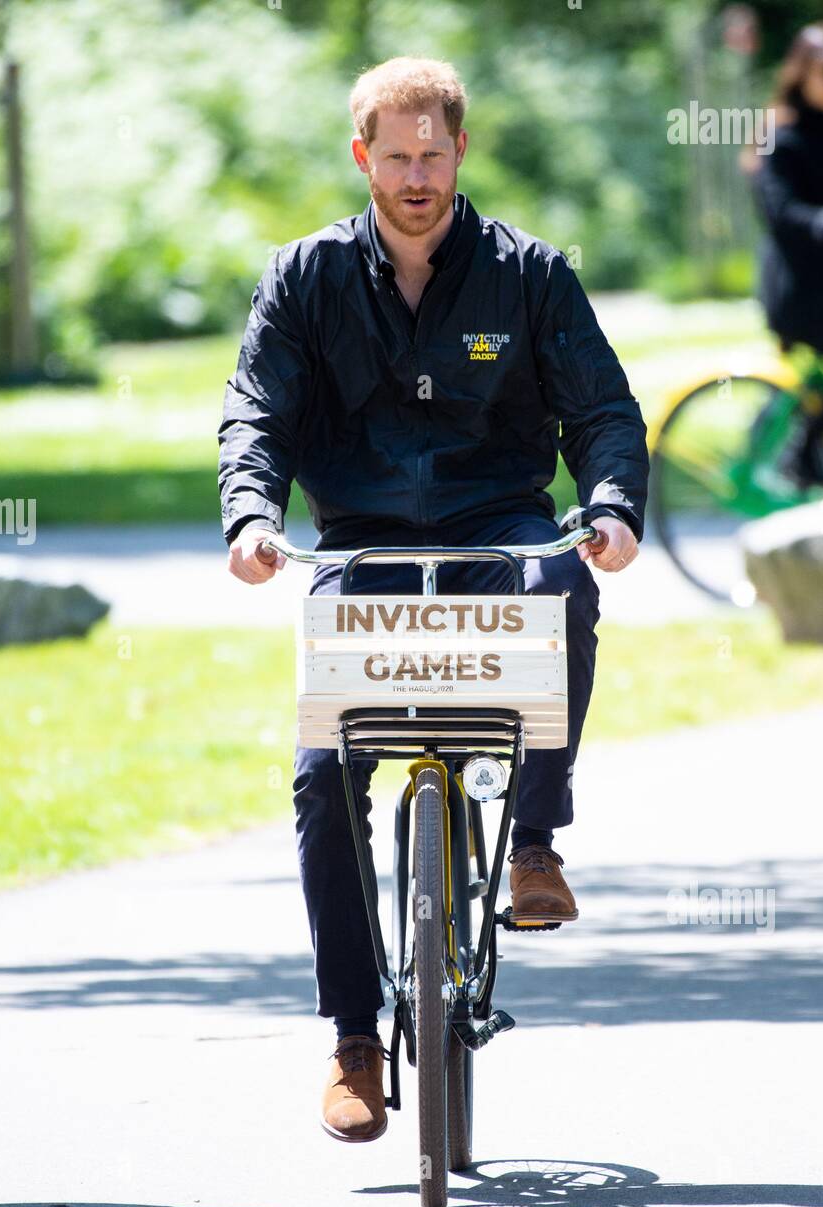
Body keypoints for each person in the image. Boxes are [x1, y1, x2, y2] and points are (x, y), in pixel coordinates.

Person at [218, 57, 648, 1143]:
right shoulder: (303, 277)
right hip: (358, 546)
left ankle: (536, 841)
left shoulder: (529, 273)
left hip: (493, 527)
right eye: (395, 156)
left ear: (460, 152)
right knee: (321, 782)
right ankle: (354, 1037)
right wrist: (251, 517)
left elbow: (600, 406)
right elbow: (254, 412)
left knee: (558, 580)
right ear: (363, 156)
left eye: (433, 154)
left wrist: (608, 506)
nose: (416, 176)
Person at [747, 21, 823, 486]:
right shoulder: (781, 138)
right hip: (802, 297)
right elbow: (781, 212)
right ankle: (805, 448)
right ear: (802, 75)